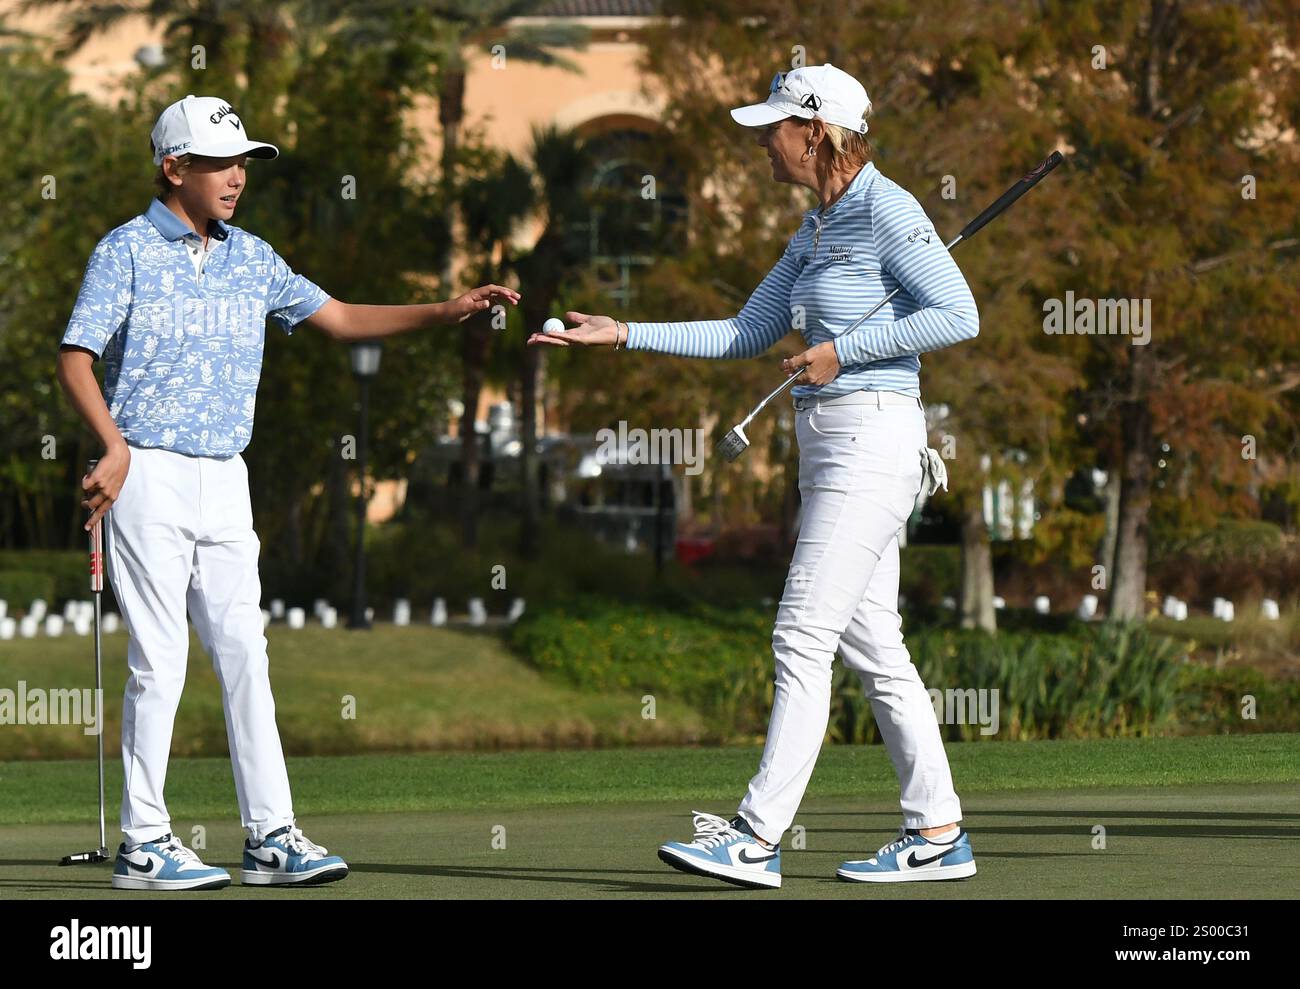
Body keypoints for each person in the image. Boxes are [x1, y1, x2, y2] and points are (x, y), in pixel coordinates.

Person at [528, 64, 977, 889]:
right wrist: (624, 332)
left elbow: (958, 313)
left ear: (819, 131)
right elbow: (744, 332)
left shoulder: (889, 207)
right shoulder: (813, 230)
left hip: (874, 439)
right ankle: (938, 830)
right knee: (874, 646)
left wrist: (847, 348)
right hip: (831, 446)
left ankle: (756, 836)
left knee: (801, 632)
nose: (761, 142)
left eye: (774, 127)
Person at [56, 94, 519, 890]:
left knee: (246, 654)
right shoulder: (124, 250)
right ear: (175, 168)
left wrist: (447, 310)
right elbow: (76, 355)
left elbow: (337, 316)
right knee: (160, 660)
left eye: (244, 162)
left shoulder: (254, 257)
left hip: (226, 475)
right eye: (220, 163)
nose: (237, 176)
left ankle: (270, 833)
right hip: (148, 471)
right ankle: (144, 839)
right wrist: (112, 444)